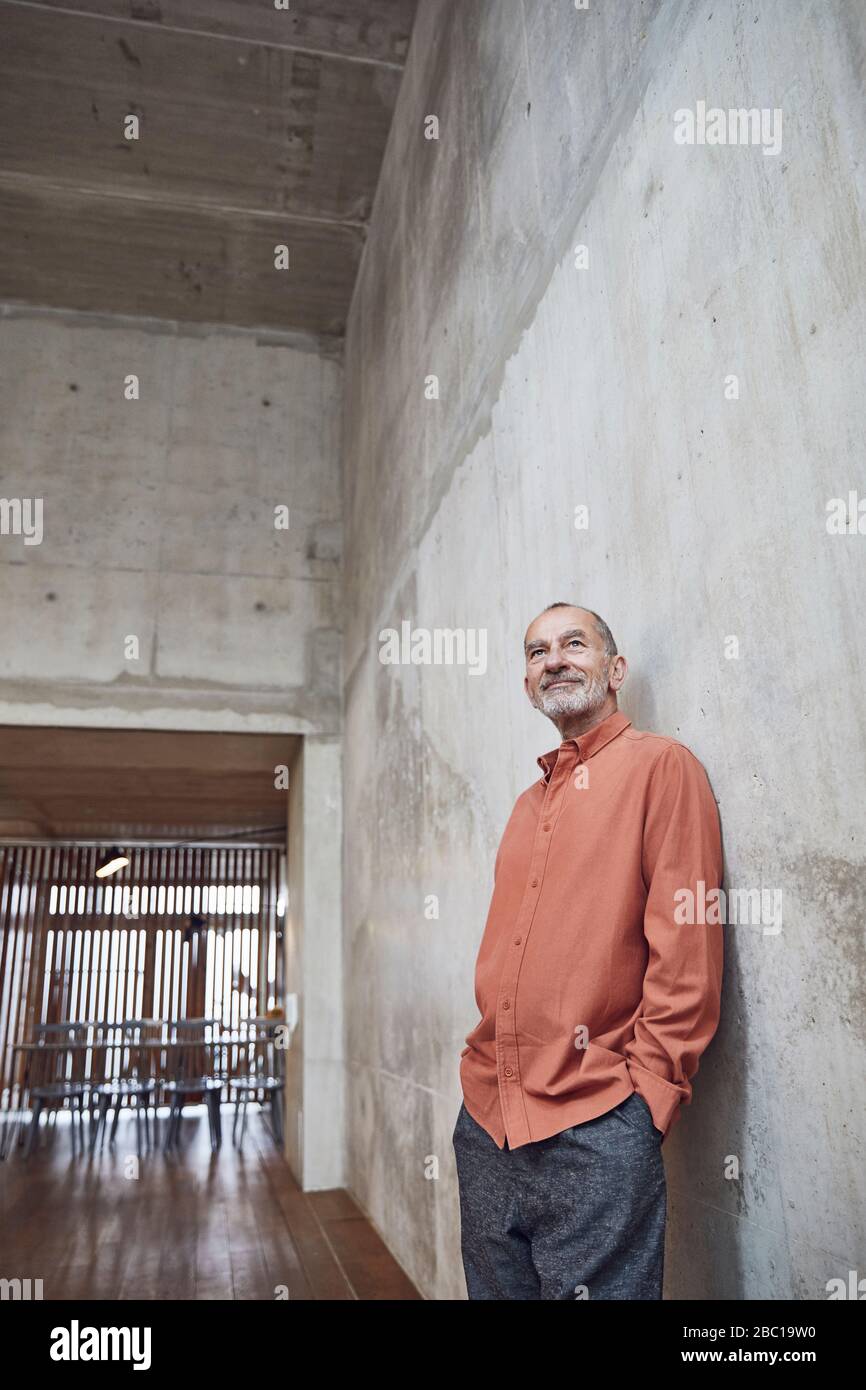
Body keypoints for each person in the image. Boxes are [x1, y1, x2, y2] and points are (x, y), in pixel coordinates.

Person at [453, 603, 724, 1299]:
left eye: (574, 643)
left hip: (598, 1124)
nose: (554, 660)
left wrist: (644, 1107)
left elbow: (686, 955)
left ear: (615, 669)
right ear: (527, 684)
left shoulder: (662, 769)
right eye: (537, 651)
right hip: (488, 1124)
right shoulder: (523, 807)